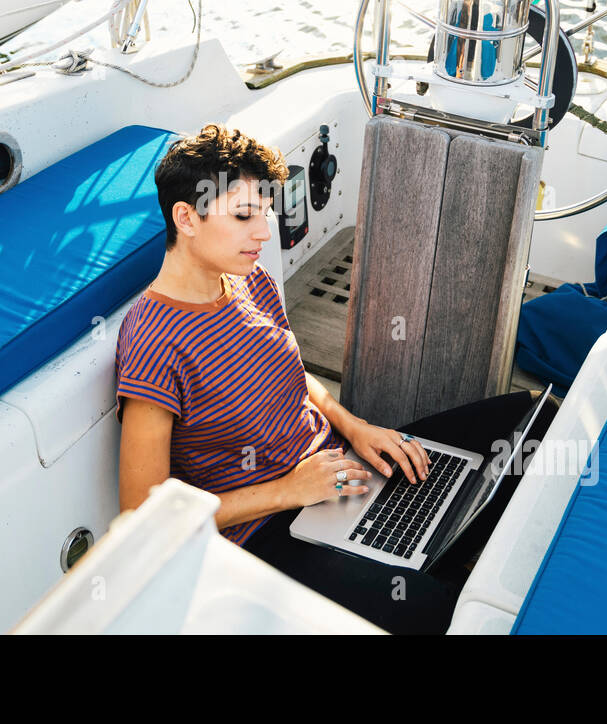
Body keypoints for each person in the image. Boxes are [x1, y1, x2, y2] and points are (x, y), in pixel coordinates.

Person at [115, 123, 537, 634]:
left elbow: (293, 376)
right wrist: (290, 489)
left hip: (339, 466)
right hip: (268, 529)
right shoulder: (152, 340)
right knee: (438, 615)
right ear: (186, 217)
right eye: (245, 215)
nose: (263, 233)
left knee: (528, 427)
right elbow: (144, 516)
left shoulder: (249, 279)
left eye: (265, 213)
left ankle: (427, 549)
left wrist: (356, 426)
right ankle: (430, 563)